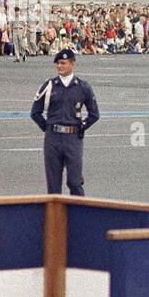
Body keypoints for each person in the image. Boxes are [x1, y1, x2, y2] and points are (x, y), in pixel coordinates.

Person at [30, 48, 99, 195]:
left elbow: (94, 114)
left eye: (63, 63)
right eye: (58, 63)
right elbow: (35, 112)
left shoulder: (82, 87)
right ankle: (56, 217)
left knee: (75, 182)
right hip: (53, 139)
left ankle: (79, 214)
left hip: (72, 138)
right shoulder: (50, 85)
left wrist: (82, 127)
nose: (59, 66)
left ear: (72, 63)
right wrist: (48, 128)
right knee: (53, 184)